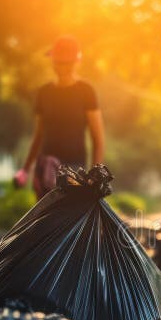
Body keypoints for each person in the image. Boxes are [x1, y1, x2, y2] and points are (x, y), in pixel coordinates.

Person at [15, 35, 105, 198]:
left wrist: (95, 176)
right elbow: (39, 135)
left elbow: (97, 139)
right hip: (46, 170)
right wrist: (25, 169)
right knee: (46, 222)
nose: (62, 66)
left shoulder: (86, 92)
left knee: (70, 221)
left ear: (74, 63)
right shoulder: (44, 93)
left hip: (75, 170)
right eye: (59, 62)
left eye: (66, 62)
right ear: (54, 62)